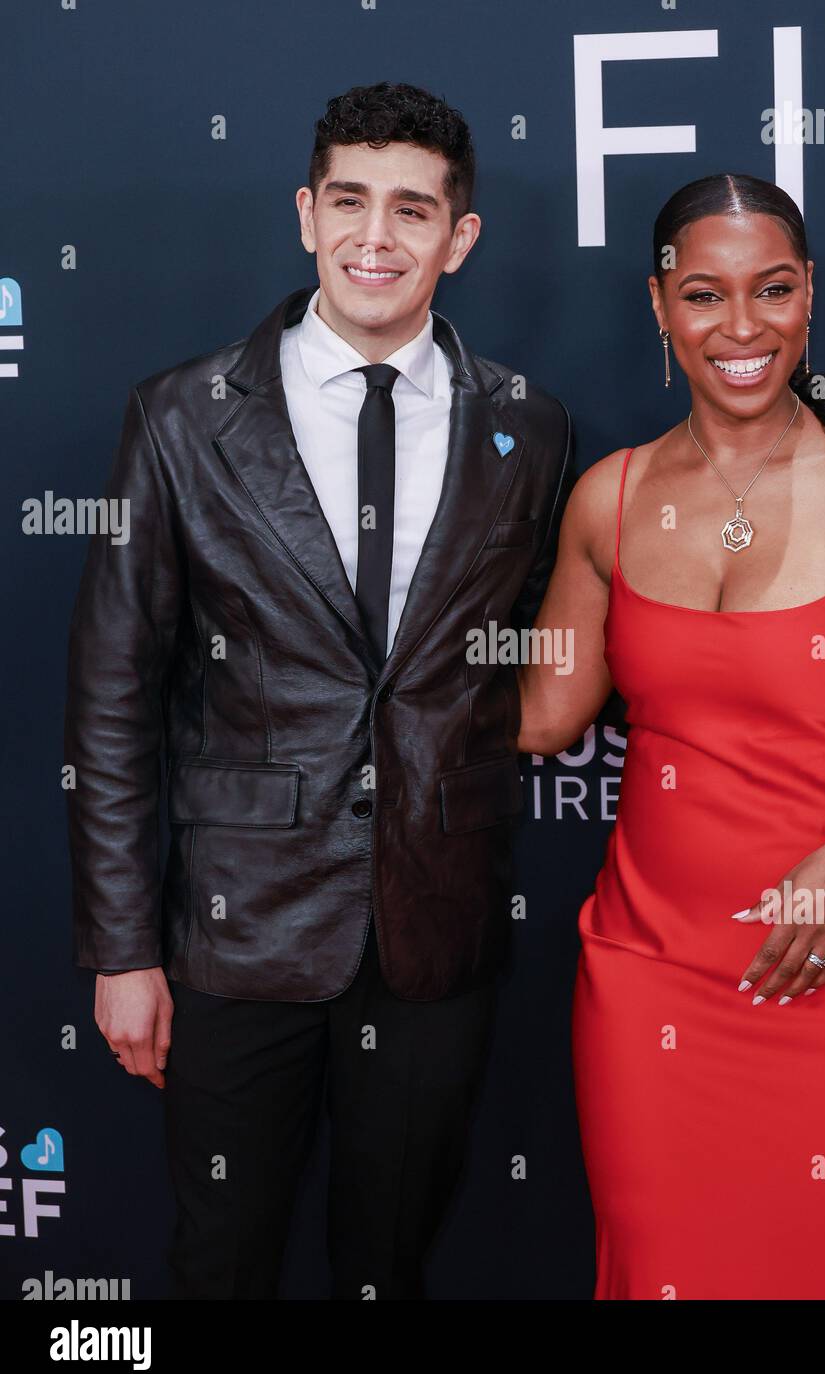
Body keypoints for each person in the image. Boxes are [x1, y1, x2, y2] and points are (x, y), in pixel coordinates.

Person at [64, 81, 574, 1299]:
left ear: (460, 238)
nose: (374, 239)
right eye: (348, 201)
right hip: (239, 934)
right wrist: (123, 948)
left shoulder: (531, 429)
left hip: (434, 927)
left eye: (412, 210)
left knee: (388, 1264)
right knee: (222, 1262)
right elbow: (113, 698)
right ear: (305, 214)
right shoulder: (182, 416)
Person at [518, 173, 825, 1299]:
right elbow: (542, 718)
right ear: (657, 307)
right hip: (651, 978)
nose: (740, 328)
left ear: (808, 296)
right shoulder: (610, 496)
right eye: (703, 294)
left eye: (770, 290)